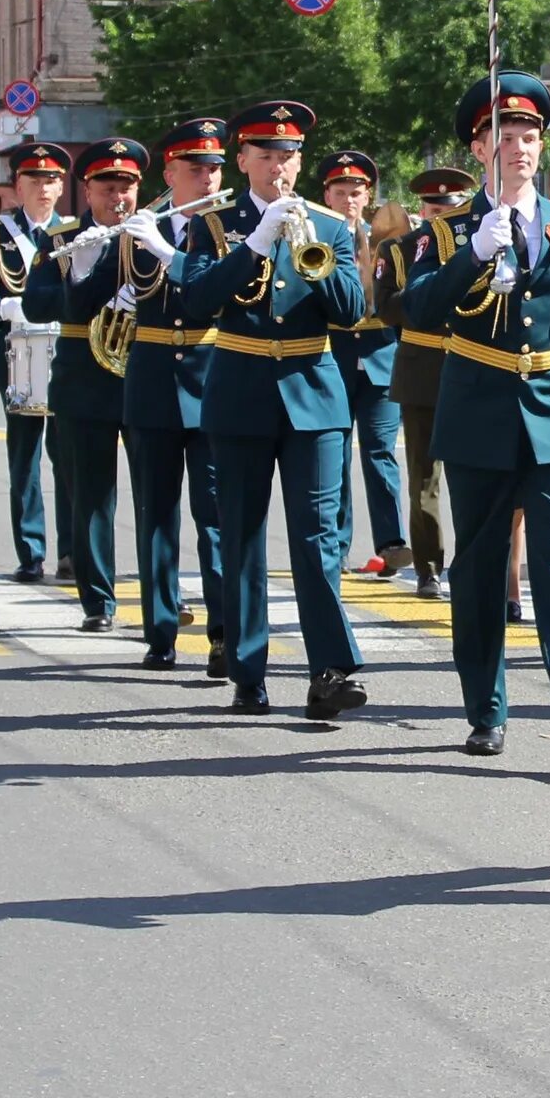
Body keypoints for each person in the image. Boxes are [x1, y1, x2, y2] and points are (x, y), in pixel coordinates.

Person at [402, 73, 550, 754]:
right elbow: (416, 312)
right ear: (478, 148)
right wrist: (473, 253)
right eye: (505, 138)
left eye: (530, 137)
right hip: (478, 411)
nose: (521, 149)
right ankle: (485, 707)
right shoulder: (446, 235)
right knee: (479, 567)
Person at [184, 102, 369, 714]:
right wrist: (256, 246)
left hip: (312, 393)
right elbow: (198, 300)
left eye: (287, 156)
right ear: (241, 160)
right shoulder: (214, 223)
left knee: (318, 539)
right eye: (264, 155)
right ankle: (248, 668)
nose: (277, 167)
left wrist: (310, 251)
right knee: (241, 537)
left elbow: (348, 311)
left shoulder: (330, 226)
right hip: (239, 388)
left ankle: (331, 671)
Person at [115, 118, 232, 674]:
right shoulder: (137, 227)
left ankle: (222, 635)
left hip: (213, 381)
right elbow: (82, 297)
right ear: (171, 174)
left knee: (216, 519)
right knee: (155, 517)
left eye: (213, 168)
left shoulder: (232, 230)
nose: (208, 179)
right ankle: (160, 632)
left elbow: (217, 297)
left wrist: (166, 252)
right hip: (154, 381)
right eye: (195, 170)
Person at [22, 139, 142, 633]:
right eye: (108, 187)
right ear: (87, 190)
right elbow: (36, 306)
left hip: (143, 374)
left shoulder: (153, 236)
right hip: (82, 377)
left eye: (127, 187)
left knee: (156, 495)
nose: (119, 197)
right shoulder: (60, 242)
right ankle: (98, 599)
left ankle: (161, 592)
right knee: (90, 494)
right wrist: (83, 272)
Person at [0, 140, 73, 585]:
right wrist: (3, 310)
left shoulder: (73, 231)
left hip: (63, 354)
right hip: (16, 357)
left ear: (61, 187)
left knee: (66, 459)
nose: (44, 188)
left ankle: (70, 552)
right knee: (23, 460)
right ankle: (31, 552)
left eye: (52, 180)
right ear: (18, 186)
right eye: (35, 180)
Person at [372, 166, 475, 603]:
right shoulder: (400, 250)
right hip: (422, 371)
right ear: (421, 210)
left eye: (449, 208)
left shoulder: (476, 248)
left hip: (472, 369)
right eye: (434, 208)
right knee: (424, 481)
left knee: (475, 478)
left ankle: (471, 566)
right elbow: (386, 309)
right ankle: (428, 569)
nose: (440, 216)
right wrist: (432, 298)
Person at [317, 148, 410, 581]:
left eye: (356, 191)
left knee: (379, 454)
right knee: (333, 457)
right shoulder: (316, 236)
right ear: (327, 195)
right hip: (332, 355)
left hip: (378, 356)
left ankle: (391, 544)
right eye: (340, 191)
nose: (348, 199)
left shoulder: (387, 239)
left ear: (367, 195)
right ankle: (335, 548)